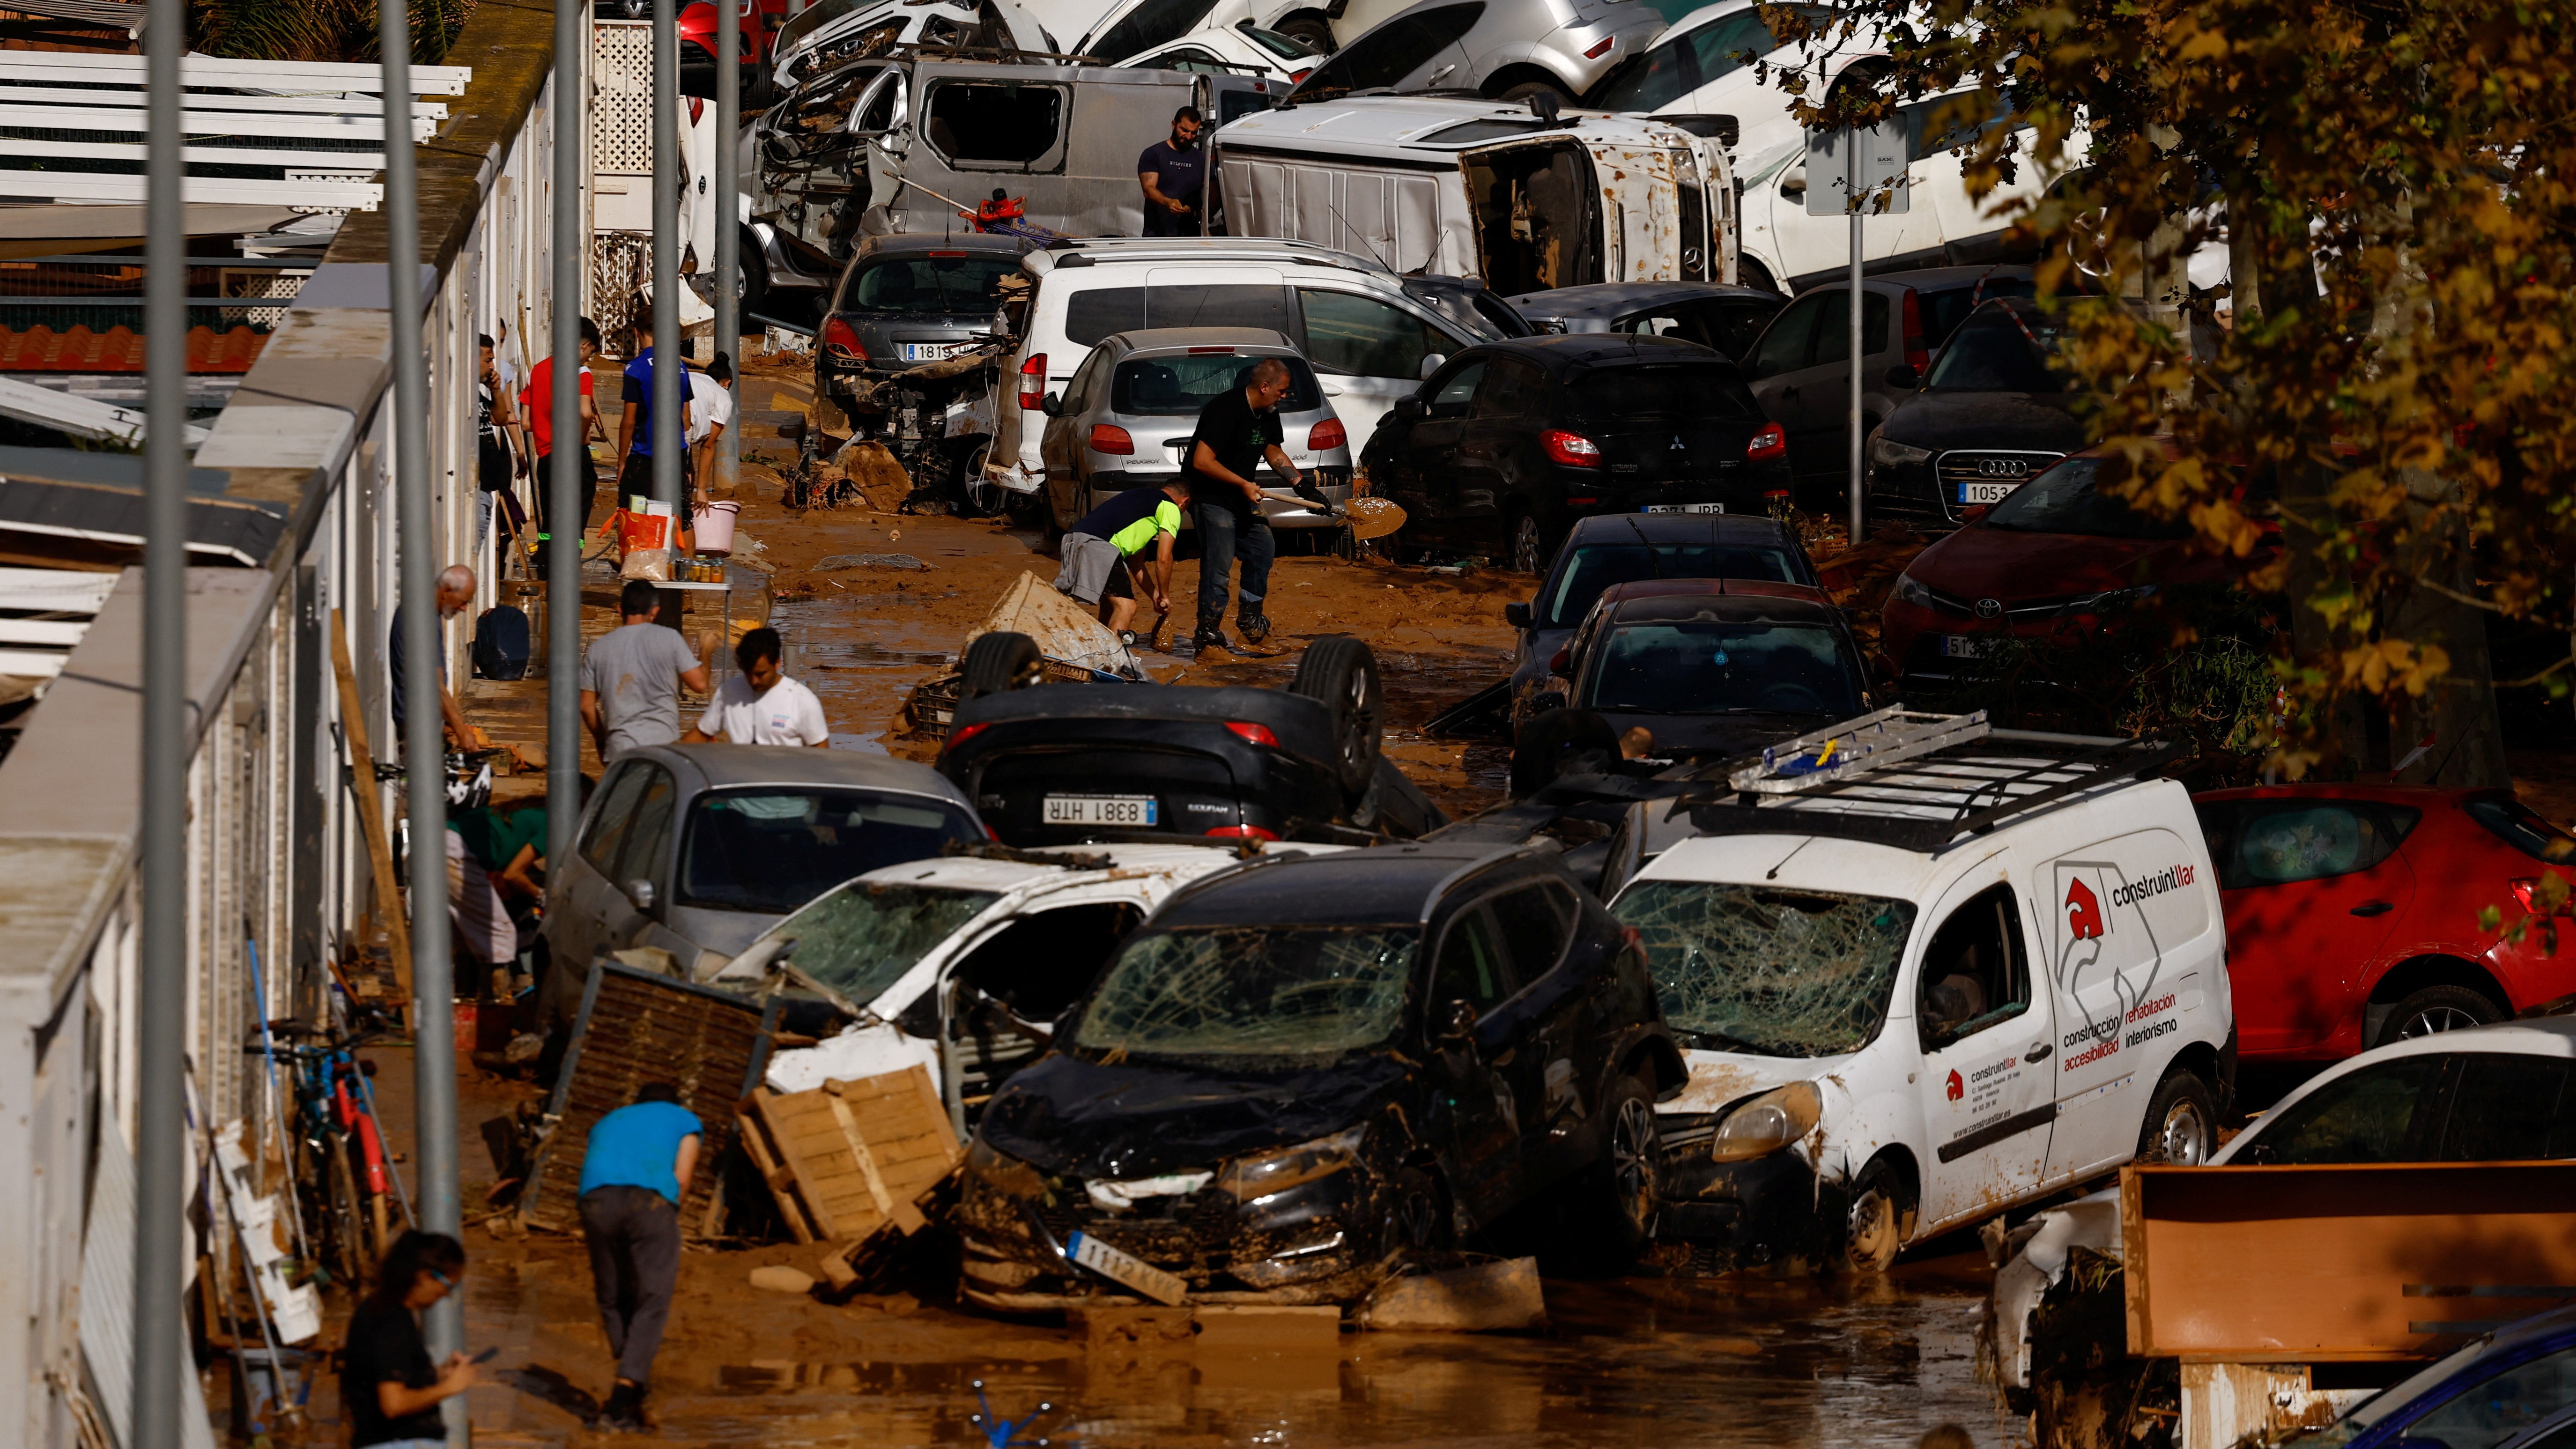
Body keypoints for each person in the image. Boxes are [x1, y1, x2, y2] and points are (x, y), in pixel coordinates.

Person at [578, 1082, 702, 1431]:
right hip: (648, 1201)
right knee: (653, 1296)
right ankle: (625, 1393)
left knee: (612, 1294)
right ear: (675, 1103)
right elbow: (683, 1178)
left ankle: (632, 1383)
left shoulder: (609, 1120)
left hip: (595, 1200)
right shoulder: (684, 1120)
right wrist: (667, 1216)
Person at [1182, 357, 1303, 654]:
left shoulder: (1269, 412)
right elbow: (1202, 462)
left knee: (1262, 550)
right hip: (1211, 496)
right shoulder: (1225, 409)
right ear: (1264, 387)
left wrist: (1299, 481)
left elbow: (1271, 448)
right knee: (1218, 567)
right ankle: (1208, 638)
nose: (1284, 396)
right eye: (1282, 391)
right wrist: (1243, 484)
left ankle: (1251, 627)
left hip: (1240, 496)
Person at [340, 1229, 478, 1449]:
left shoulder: (382, 1311)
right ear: (425, 1277)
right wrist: (449, 1388)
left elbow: (387, 1374)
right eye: (448, 1286)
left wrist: (436, 1374)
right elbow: (393, 1404)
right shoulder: (391, 1321)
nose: (447, 1295)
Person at [580, 578, 709, 760]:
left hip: (619, 750)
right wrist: (706, 650)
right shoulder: (670, 638)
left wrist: (602, 741)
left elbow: (586, 707)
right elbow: (700, 684)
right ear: (655, 612)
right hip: (662, 750)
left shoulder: (599, 648)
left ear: (620, 610)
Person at [1054, 477, 1187, 643]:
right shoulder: (1170, 507)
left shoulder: (1142, 501)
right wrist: (1166, 595)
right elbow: (1164, 558)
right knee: (1127, 607)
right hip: (1099, 544)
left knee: (1109, 606)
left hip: (1074, 538)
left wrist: (1156, 597)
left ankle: (1096, 650)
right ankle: (1112, 661)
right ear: (1184, 502)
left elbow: (1136, 564)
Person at [522, 316, 605, 541]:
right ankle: (573, 549)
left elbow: (526, 423)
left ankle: (547, 557)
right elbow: (586, 412)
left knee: (551, 513)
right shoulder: (581, 373)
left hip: (546, 457)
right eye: (591, 354)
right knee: (580, 503)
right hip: (571, 453)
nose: (589, 360)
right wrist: (581, 441)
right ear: (584, 346)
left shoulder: (536, 372)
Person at [389, 564, 485, 748]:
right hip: (417, 728)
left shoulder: (429, 614)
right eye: (464, 601)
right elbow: (435, 686)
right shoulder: (421, 618)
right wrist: (462, 733)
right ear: (447, 591)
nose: (464, 609)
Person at [683, 627, 829, 747]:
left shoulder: (803, 701)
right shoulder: (728, 692)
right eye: (748, 673)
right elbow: (703, 733)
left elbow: (821, 753)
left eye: (760, 674)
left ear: (778, 663)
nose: (754, 681)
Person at [615, 296, 693, 509]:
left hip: (645, 455)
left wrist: (622, 462)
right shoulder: (680, 368)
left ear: (638, 333)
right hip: (676, 453)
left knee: (634, 512)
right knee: (681, 516)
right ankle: (682, 544)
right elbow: (686, 420)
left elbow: (629, 422)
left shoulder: (635, 368)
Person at [1136, 106, 1207, 238]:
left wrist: (1203, 213)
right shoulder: (1154, 154)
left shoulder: (1201, 159)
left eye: (1194, 133)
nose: (1189, 136)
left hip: (1191, 237)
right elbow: (1148, 189)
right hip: (1157, 236)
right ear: (1174, 125)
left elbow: (1213, 189)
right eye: (1184, 130)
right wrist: (1168, 203)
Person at [687, 350, 735, 500]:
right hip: (684, 425)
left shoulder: (691, 376)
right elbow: (708, 446)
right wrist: (701, 490)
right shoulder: (724, 397)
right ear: (727, 383)